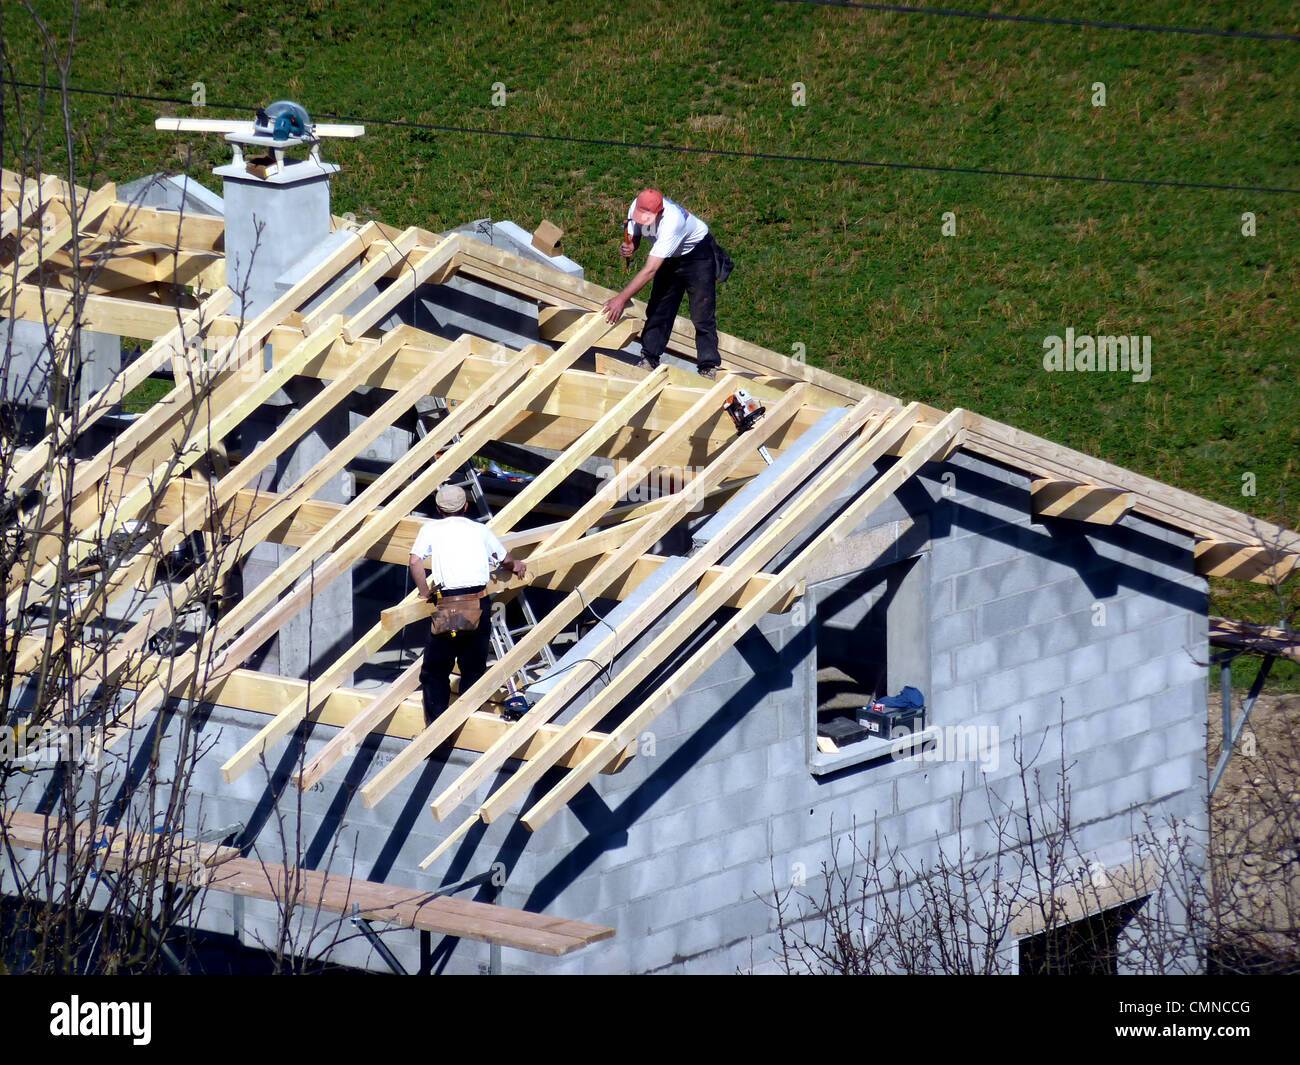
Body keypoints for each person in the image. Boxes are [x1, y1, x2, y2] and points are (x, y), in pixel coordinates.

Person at [408, 482, 527, 724]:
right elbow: (504, 559)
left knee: (435, 671)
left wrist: (423, 593)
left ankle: (436, 729)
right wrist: (517, 566)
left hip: (449, 607)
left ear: (439, 510)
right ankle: (467, 720)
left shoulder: (430, 529)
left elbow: (414, 562)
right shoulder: (480, 530)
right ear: (466, 506)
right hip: (478, 605)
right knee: (473, 667)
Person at [601, 189, 724, 379]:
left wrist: (620, 299)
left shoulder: (672, 222)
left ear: (659, 212)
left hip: (698, 256)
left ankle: (708, 367)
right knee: (659, 307)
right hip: (670, 256)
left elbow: (650, 270)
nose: (642, 220)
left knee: (702, 313)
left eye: (647, 217)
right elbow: (637, 235)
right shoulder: (637, 205)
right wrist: (633, 244)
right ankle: (650, 358)